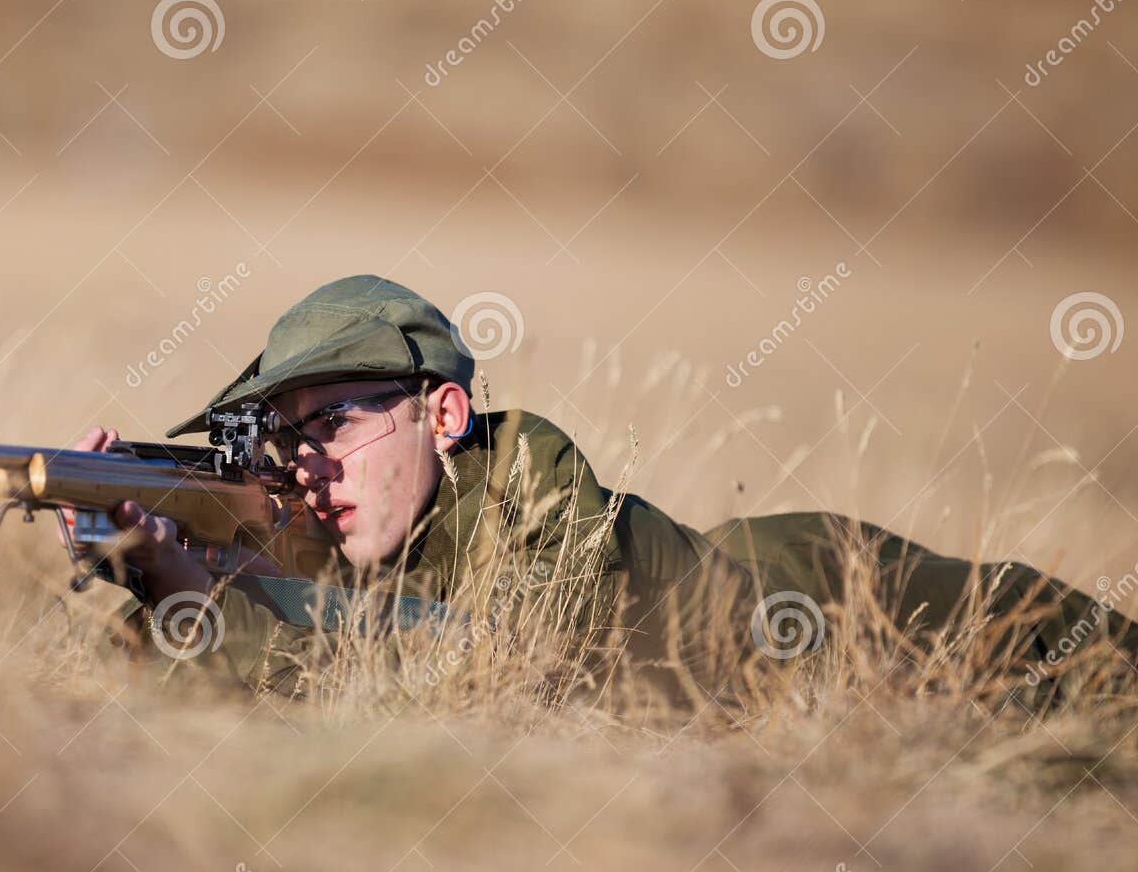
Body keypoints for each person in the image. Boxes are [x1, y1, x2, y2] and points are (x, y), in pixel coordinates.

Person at [74, 275, 1137, 709]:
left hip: (861, 601)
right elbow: (187, 706)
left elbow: (460, 671)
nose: (305, 462)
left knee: (1090, 685)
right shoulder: (329, 532)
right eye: (282, 436)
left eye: (333, 423)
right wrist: (163, 570)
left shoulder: (538, 493)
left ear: (442, 417)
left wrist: (226, 595)